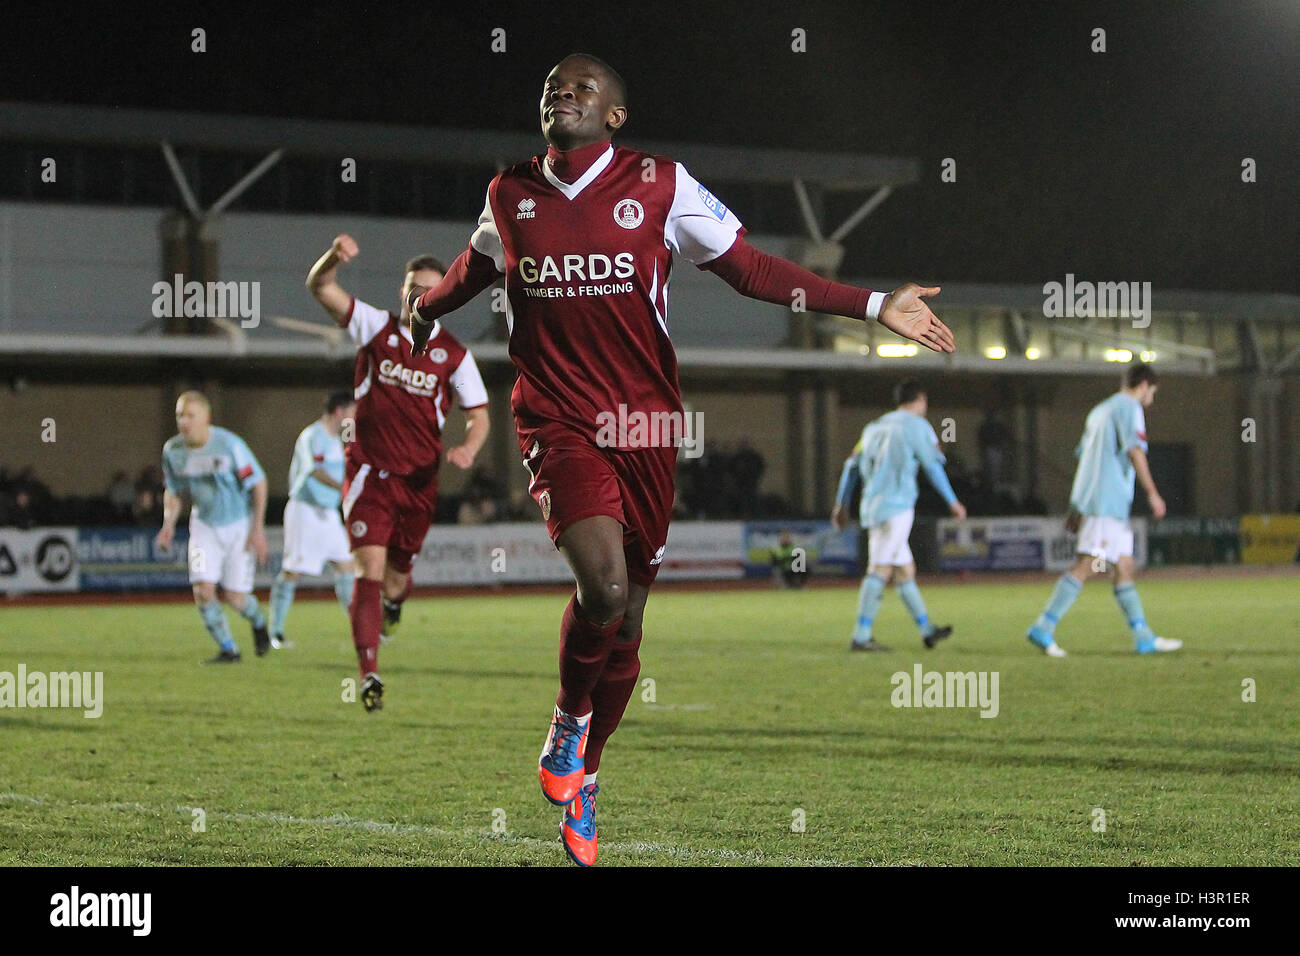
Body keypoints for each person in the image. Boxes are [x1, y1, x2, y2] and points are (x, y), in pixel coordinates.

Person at [403, 53, 955, 865]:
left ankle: (588, 775)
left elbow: (751, 269)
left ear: (615, 114)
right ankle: (567, 721)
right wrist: (427, 308)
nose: (564, 93)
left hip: (647, 428)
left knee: (628, 620)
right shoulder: (508, 193)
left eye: (583, 87)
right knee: (603, 587)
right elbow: (474, 266)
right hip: (558, 419)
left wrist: (872, 305)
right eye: (553, 87)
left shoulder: (661, 184)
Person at [306, 236, 490, 711]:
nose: (417, 295)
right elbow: (320, 286)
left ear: (444, 294)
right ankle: (369, 674)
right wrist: (334, 258)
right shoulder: (376, 328)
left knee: (395, 579)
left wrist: (469, 447)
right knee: (368, 569)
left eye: (429, 289)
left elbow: (479, 414)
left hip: (418, 483)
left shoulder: (455, 355)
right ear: (401, 291)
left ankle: (392, 606)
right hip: (369, 474)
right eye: (412, 287)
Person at [1026, 364, 1180, 656]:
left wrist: (1076, 507)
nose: (1152, 399)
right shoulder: (1130, 407)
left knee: (1124, 566)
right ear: (1144, 385)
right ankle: (1044, 627)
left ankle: (1143, 637)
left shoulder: (1099, 411)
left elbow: (1085, 460)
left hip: (1101, 502)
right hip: (1106, 502)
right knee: (1088, 563)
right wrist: (1153, 493)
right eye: (1153, 392)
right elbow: (1135, 450)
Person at [832, 379, 966, 651]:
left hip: (872, 505)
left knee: (905, 571)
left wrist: (841, 505)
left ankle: (927, 629)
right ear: (920, 399)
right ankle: (861, 636)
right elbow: (933, 466)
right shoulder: (917, 426)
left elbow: (851, 467)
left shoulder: (873, 428)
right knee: (879, 569)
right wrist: (953, 501)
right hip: (896, 507)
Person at [155, 391, 271, 663]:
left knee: (235, 597)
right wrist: (168, 523)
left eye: (190, 416)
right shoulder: (173, 451)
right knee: (203, 590)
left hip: (238, 526)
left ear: (206, 418)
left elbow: (258, 483)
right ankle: (229, 649)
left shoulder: (229, 445)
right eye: (180, 416)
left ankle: (258, 621)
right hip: (203, 526)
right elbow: (173, 490)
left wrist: (257, 529)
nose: (184, 422)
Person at [268, 391, 358, 650]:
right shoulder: (312, 436)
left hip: (328, 513)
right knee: (293, 571)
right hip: (305, 510)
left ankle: (360, 629)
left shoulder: (337, 440)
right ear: (339, 411)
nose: (354, 417)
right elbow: (315, 471)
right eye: (352, 412)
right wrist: (343, 487)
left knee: (347, 566)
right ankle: (275, 632)